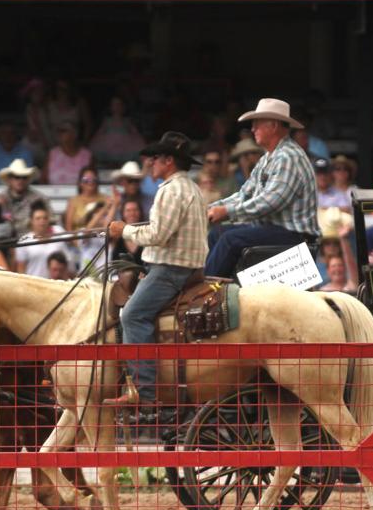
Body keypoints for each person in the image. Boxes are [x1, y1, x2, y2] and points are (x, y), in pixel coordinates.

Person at [105, 130, 208, 413]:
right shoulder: (191, 188)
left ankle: (144, 390)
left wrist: (123, 229)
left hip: (170, 270)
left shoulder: (171, 190)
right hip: (183, 266)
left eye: (155, 159)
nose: (151, 164)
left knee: (133, 315)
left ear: (169, 161)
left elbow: (159, 234)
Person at [205, 100, 319, 278]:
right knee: (217, 234)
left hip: (293, 236)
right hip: (275, 231)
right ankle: (220, 294)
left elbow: (269, 202)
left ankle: (205, 293)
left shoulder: (288, 156)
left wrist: (226, 211)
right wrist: (210, 208)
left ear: (273, 126)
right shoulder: (268, 157)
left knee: (229, 239)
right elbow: (244, 194)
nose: (252, 130)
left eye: (257, 125)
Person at [0, 158, 50, 237]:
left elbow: (50, 219)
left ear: (28, 179)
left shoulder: (39, 198)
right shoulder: (0, 200)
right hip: (7, 242)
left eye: (24, 177)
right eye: (17, 177)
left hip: (32, 241)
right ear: (10, 179)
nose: (20, 180)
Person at [89, 96, 145, 165]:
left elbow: (134, 131)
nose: (117, 107)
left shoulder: (126, 121)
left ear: (123, 107)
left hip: (125, 143)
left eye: (119, 104)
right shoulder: (107, 120)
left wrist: (137, 137)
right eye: (114, 105)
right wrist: (96, 138)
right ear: (110, 107)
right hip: (108, 143)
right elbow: (100, 131)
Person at [15, 202, 61, 277]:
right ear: (31, 221)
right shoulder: (24, 241)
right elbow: (20, 269)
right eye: (38, 218)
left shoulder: (58, 237)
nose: (42, 221)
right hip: (33, 284)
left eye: (45, 218)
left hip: (54, 284)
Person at [64, 167, 107, 232]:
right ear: (80, 182)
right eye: (86, 180)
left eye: (93, 179)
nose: (90, 182)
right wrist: (75, 242)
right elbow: (68, 227)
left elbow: (108, 224)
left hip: (99, 238)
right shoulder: (73, 201)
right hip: (77, 238)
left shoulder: (105, 199)